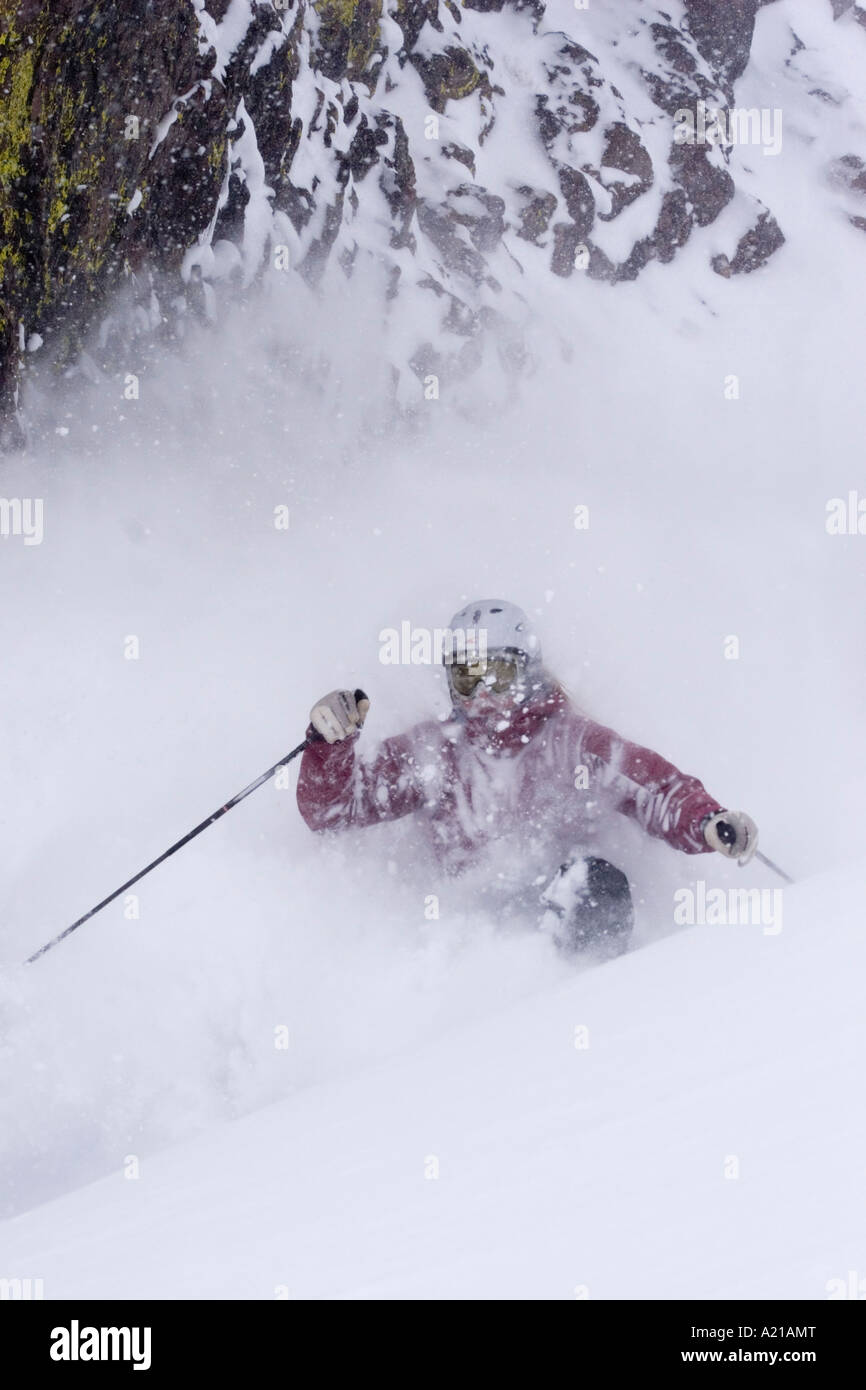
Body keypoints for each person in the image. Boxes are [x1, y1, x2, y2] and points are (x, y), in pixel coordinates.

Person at [297, 600, 757, 958]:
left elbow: (654, 789)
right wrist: (328, 746)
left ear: (529, 672)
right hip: (468, 926)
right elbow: (335, 809)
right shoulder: (434, 751)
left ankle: (596, 1004)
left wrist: (706, 821)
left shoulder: (571, 743)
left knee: (595, 883)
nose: (483, 695)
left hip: (559, 907)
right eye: (466, 678)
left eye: (497, 675)